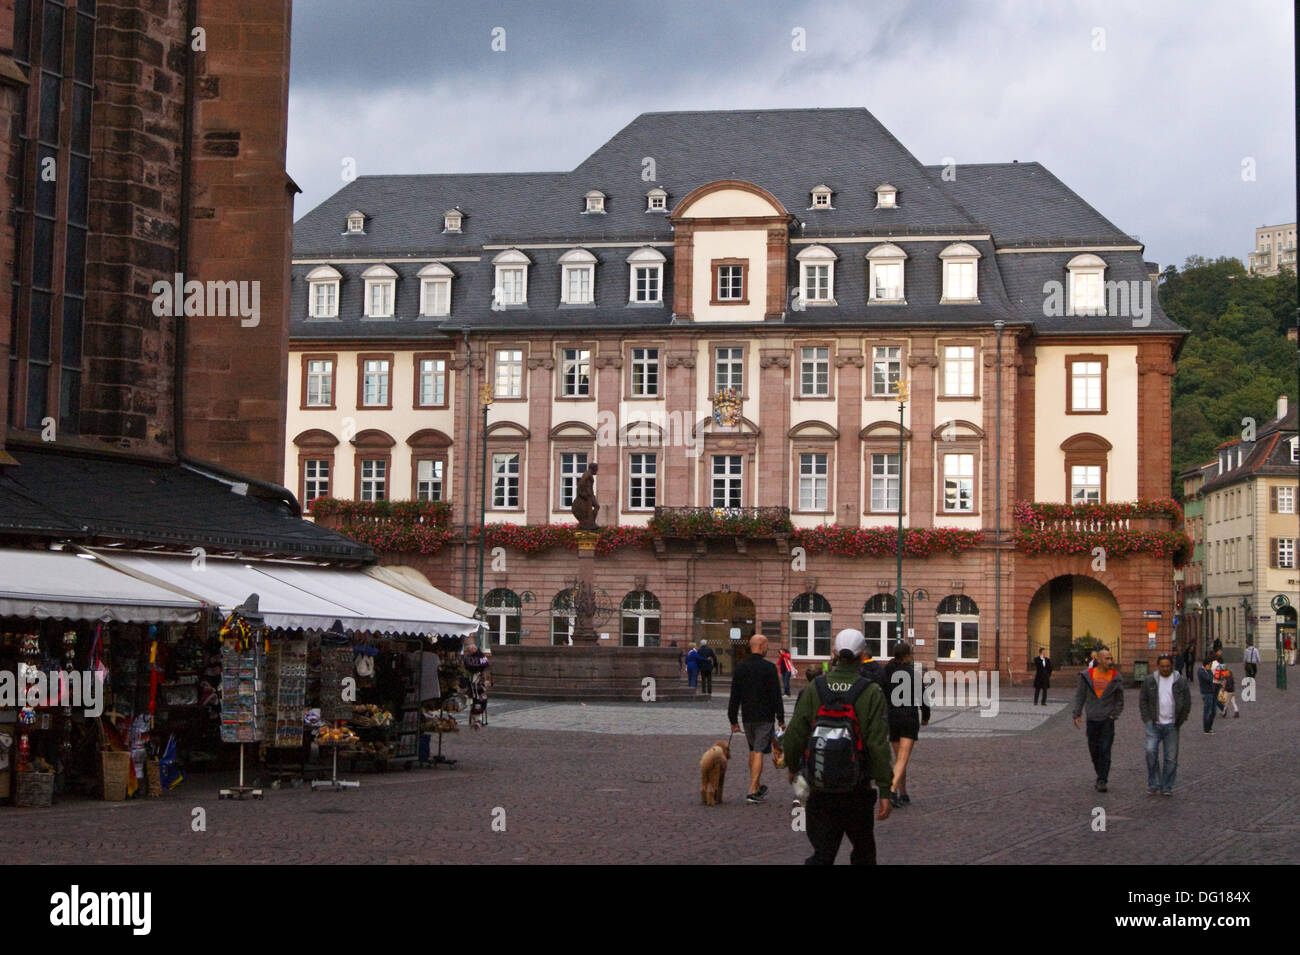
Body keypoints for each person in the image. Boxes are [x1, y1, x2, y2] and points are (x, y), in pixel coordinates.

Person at [782, 628, 893, 865]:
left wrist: (792, 768)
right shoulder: (872, 692)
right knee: (864, 852)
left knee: (823, 852)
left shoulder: (815, 688)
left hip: (819, 785)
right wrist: (885, 789)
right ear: (863, 655)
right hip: (857, 789)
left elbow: (794, 734)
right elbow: (878, 745)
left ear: (834, 652)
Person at [727, 634, 785, 805]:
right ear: (762, 645)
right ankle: (752, 791)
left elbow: (734, 696)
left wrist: (733, 719)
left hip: (747, 717)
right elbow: (776, 696)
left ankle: (758, 785)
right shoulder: (769, 668)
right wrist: (780, 718)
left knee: (753, 749)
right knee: (759, 750)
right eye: (767, 645)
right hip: (764, 717)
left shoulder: (741, 667)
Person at [1071, 646, 1124, 792]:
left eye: (1111, 658)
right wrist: (1077, 714)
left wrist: (1114, 714)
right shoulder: (1087, 676)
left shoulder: (1116, 677)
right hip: (1092, 718)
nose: (1110, 661)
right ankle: (1099, 772)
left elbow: (1120, 699)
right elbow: (1080, 695)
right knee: (1094, 749)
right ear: (1098, 660)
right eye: (1107, 658)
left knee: (1105, 749)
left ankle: (1102, 779)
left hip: (1107, 719)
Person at [883, 642, 929, 807]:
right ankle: (892, 791)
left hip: (893, 717)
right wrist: (925, 717)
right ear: (907, 656)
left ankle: (904, 793)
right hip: (908, 718)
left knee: (899, 759)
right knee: (903, 759)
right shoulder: (913, 674)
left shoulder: (887, 672)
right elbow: (923, 699)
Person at [1138, 653, 1191, 796]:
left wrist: (1182, 718)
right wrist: (1147, 718)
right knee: (1150, 752)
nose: (1165, 669)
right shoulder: (1150, 680)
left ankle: (1167, 786)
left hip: (1172, 724)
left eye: (1167, 666)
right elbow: (1143, 700)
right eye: (1162, 666)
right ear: (1158, 666)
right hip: (1154, 723)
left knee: (1171, 758)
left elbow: (1187, 701)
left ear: (1171, 666)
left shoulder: (1180, 681)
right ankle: (1153, 782)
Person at [1196, 656, 1218, 734]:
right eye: (1210, 664)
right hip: (1206, 693)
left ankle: (1209, 727)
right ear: (1207, 664)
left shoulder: (1206, 671)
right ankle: (1206, 729)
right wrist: (1209, 671)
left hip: (1211, 693)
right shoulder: (1201, 671)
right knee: (1208, 711)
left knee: (1213, 712)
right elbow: (1209, 679)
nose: (1211, 666)